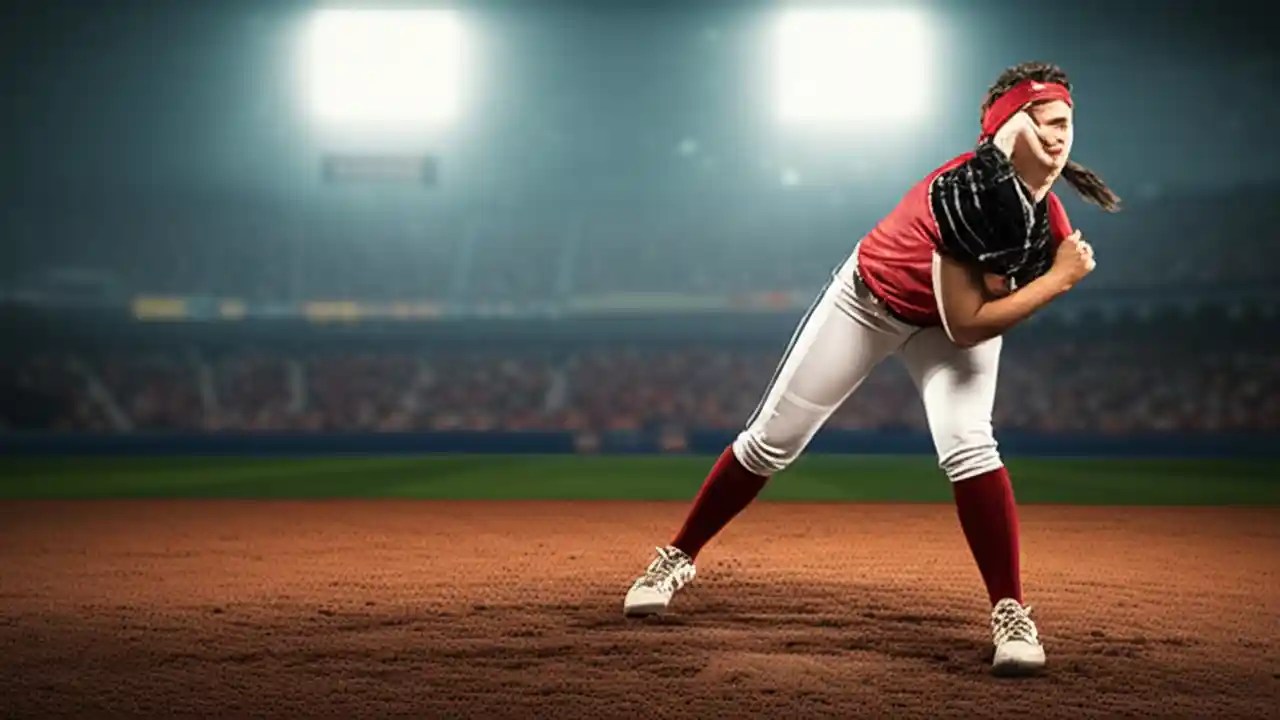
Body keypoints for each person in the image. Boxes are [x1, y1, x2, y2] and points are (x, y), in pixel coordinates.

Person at [621, 61, 1121, 677]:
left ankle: (1011, 610)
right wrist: (1060, 281)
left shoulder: (1047, 221)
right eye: (1039, 120)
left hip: (946, 324)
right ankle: (677, 555)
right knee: (771, 442)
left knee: (969, 445)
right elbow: (970, 322)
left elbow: (975, 318)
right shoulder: (961, 193)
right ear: (1002, 129)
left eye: (1065, 122)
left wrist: (1047, 276)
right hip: (871, 301)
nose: (1057, 133)